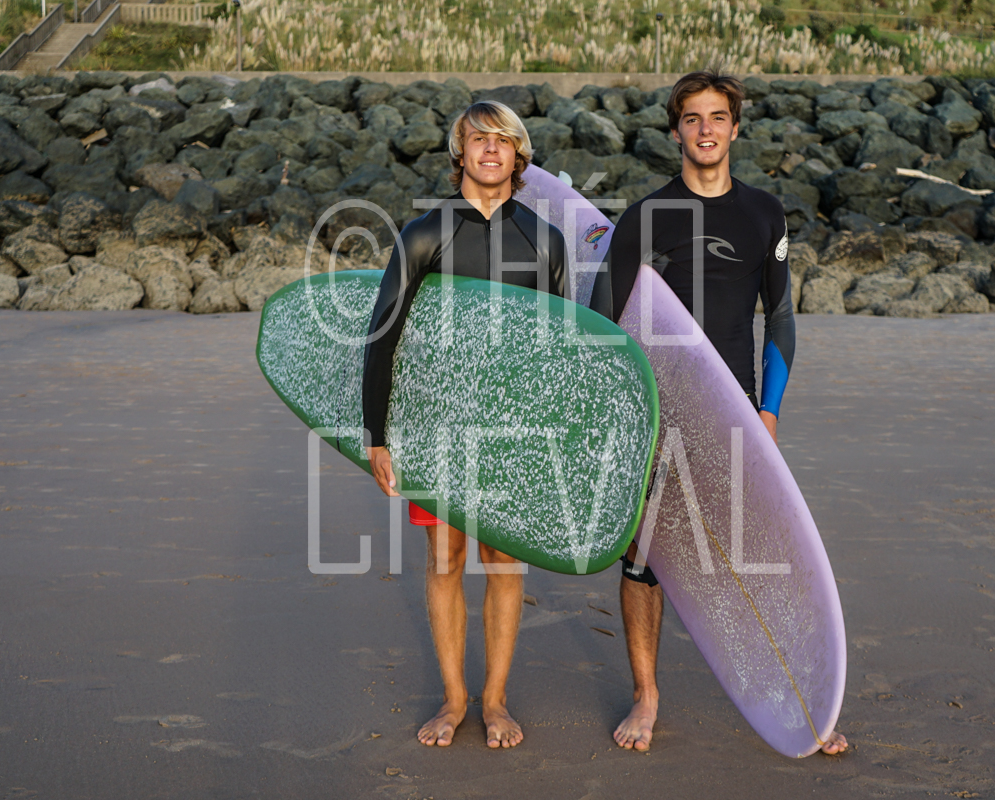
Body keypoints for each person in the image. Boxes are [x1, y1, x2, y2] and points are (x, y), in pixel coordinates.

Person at [589, 70, 848, 756]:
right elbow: (602, 322)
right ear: (675, 130)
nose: (705, 130)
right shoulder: (646, 218)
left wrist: (768, 410)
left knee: (761, 550)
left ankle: (802, 696)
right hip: (657, 412)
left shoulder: (764, 214)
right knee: (645, 557)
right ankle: (646, 696)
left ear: (736, 128)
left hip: (734, 412)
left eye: (717, 118)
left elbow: (781, 318)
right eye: (692, 119)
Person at [362, 101, 567, 749]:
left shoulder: (545, 240)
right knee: (446, 558)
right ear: (460, 155)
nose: (490, 150)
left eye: (503, 141)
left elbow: (559, 350)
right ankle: (455, 699)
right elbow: (382, 338)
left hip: (513, 428)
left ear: (518, 156)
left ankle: (496, 700)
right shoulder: (426, 233)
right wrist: (376, 435)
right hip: (438, 423)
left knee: (503, 559)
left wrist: (552, 435)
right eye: (478, 139)